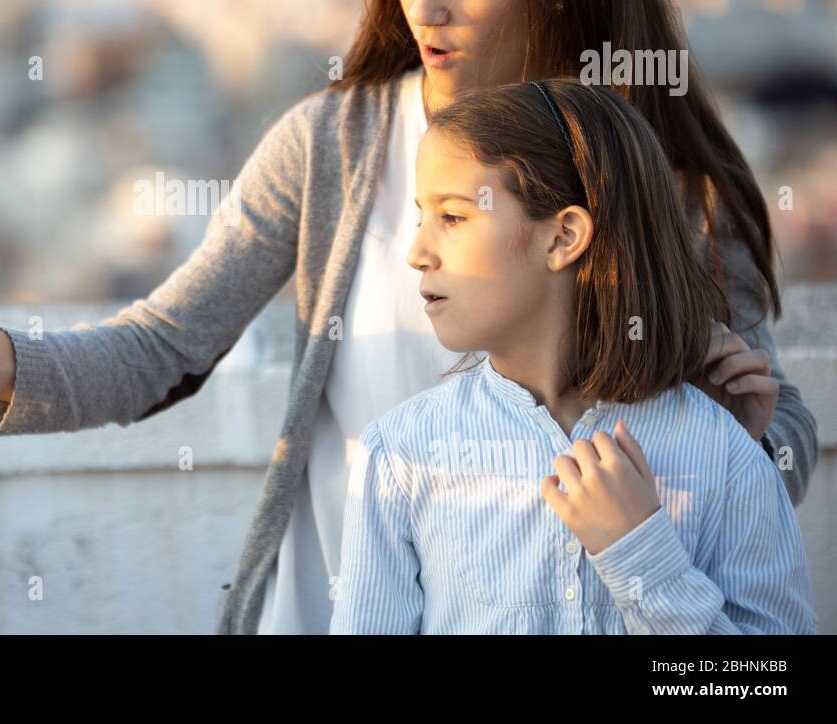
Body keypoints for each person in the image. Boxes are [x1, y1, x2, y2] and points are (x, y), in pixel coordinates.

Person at [0, 0, 818, 634]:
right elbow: (165, 343)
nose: (422, 4)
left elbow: (774, 452)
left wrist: (736, 440)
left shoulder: (668, 181)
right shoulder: (331, 145)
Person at [329, 78, 817, 634]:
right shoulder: (397, 457)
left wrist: (641, 554)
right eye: (421, 217)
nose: (417, 253)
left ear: (562, 237)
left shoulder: (726, 452)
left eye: (454, 217)